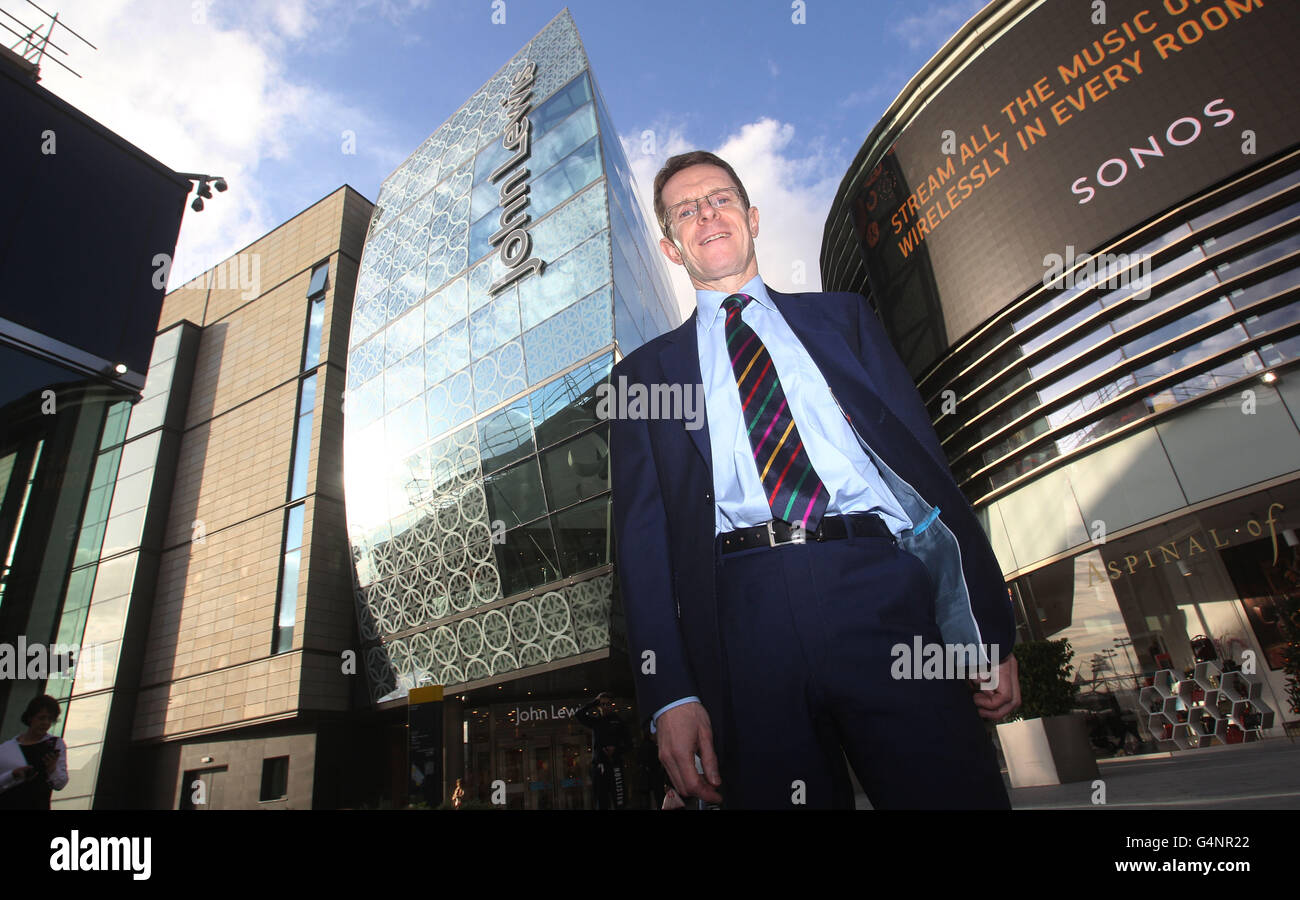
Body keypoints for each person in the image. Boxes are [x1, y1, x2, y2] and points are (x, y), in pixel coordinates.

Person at [608, 151, 1021, 810]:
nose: (707, 214)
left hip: (879, 589)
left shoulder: (846, 320)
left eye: (720, 199)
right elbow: (643, 549)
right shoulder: (642, 378)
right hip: (740, 620)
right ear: (669, 246)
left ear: (752, 217)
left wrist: (983, 630)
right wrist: (670, 695)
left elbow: (930, 475)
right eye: (686, 210)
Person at [0, 694, 69, 810]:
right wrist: (13, 775)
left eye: (50, 719)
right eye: (41, 718)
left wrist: (52, 769)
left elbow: (60, 783)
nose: (46, 723)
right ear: (30, 718)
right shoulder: (6, 748)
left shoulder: (55, 744)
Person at [575, 692, 630, 809]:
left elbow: (629, 744)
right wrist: (594, 702)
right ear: (598, 706)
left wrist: (616, 750)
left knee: (619, 801)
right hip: (599, 767)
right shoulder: (596, 721)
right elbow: (579, 714)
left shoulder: (619, 722)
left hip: (615, 765)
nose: (605, 707)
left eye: (608, 704)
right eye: (602, 704)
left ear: (612, 705)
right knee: (601, 801)